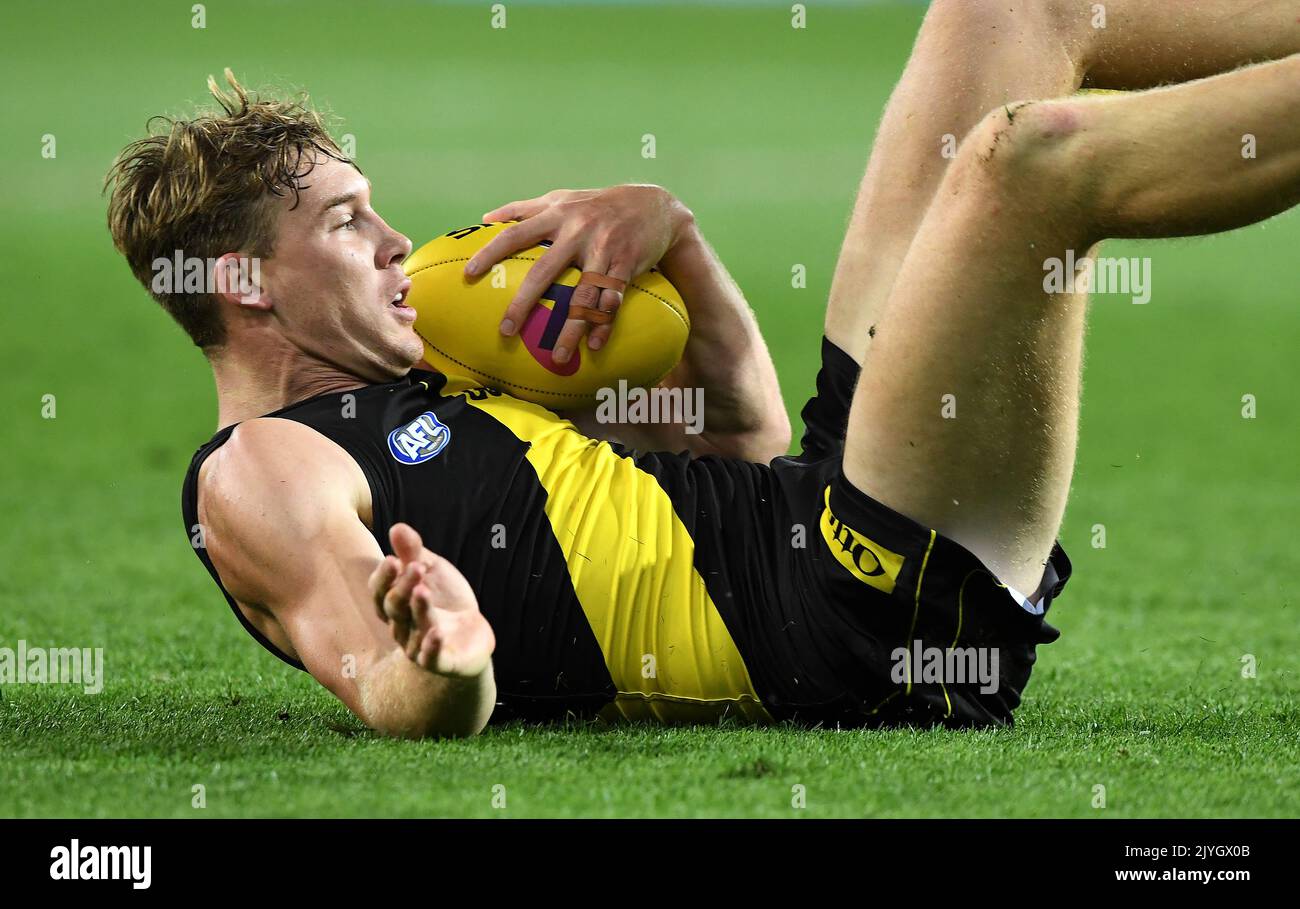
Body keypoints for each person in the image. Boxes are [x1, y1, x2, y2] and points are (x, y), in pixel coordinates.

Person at [106, 1, 1300, 737]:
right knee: (1026, 166)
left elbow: (739, 444)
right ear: (245, 284)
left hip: (831, 510)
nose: (393, 239)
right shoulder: (262, 468)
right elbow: (390, 688)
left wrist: (676, 233)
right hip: (860, 628)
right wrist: (453, 660)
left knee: (1007, 10)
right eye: (344, 221)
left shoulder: (439, 368)